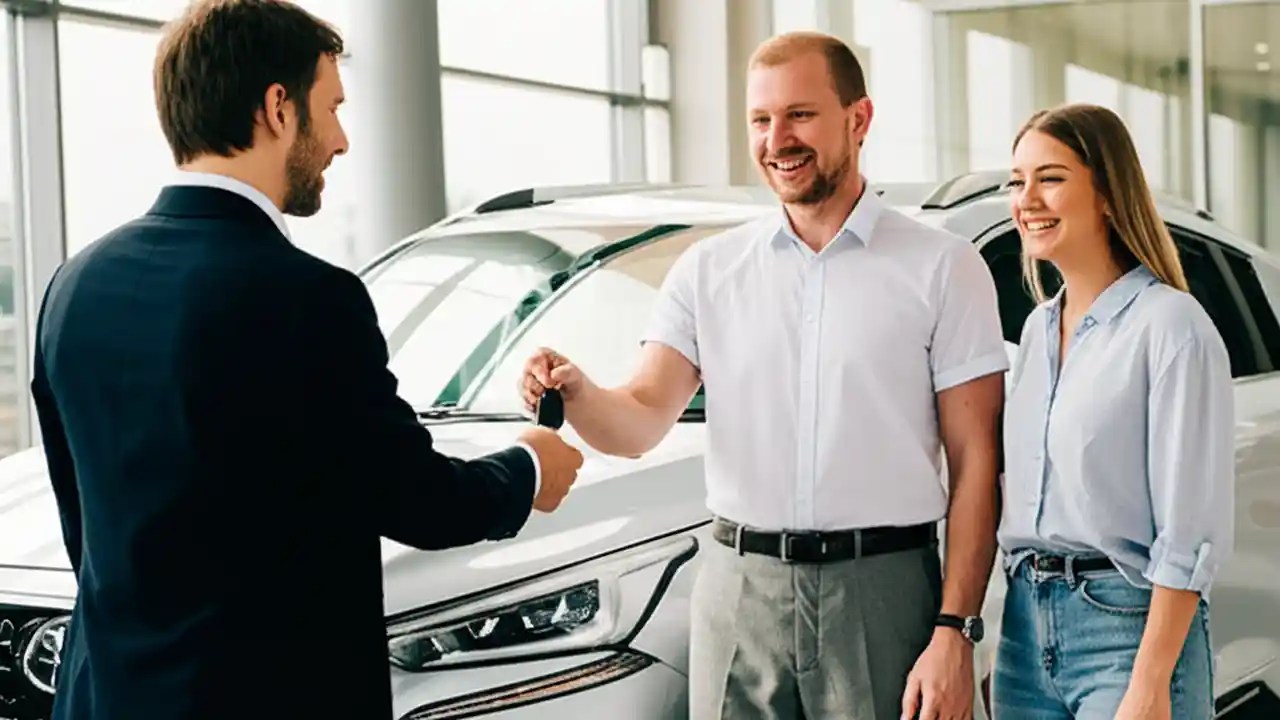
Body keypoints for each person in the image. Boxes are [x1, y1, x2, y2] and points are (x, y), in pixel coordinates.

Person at [30, 2, 584, 718]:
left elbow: (86, 529)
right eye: (334, 107)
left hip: (108, 697)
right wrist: (531, 463)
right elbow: (416, 498)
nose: (343, 141)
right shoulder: (307, 297)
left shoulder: (73, 287)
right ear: (277, 108)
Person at [520, 31, 1007, 720]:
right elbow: (638, 420)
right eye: (760, 119)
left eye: (800, 114)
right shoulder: (708, 270)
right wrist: (578, 391)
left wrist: (956, 632)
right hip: (737, 594)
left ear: (858, 119)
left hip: (883, 592)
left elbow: (976, 463)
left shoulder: (942, 267)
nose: (778, 139)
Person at [993, 102, 1234, 719]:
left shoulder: (1170, 326)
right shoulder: (1038, 330)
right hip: (1024, 629)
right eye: (1017, 182)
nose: (1027, 199)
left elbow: (1190, 533)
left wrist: (1151, 681)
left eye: (1050, 178)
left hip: (1124, 626)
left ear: (1106, 192)